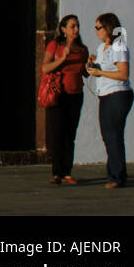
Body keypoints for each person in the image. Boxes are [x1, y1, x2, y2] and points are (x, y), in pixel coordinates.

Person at [86, 12, 133, 188]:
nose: (96, 31)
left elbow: (123, 73)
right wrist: (92, 64)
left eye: (99, 27)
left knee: (114, 135)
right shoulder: (102, 48)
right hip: (105, 94)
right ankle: (116, 172)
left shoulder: (118, 47)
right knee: (108, 135)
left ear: (108, 28)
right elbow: (102, 67)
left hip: (118, 94)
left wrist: (100, 72)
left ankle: (117, 176)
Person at [41, 14, 87, 184]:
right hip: (58, 94)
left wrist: (91, 66)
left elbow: (84, 72)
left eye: (77, 26)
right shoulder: (55, 45)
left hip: (76, 95)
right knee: (57, 132)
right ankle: (56, 172)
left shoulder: (82, 49)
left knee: (70, 134)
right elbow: (45, 68)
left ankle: (67, 172)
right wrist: (62, 58)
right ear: (63, 29)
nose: (76, 29)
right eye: (72, 26)